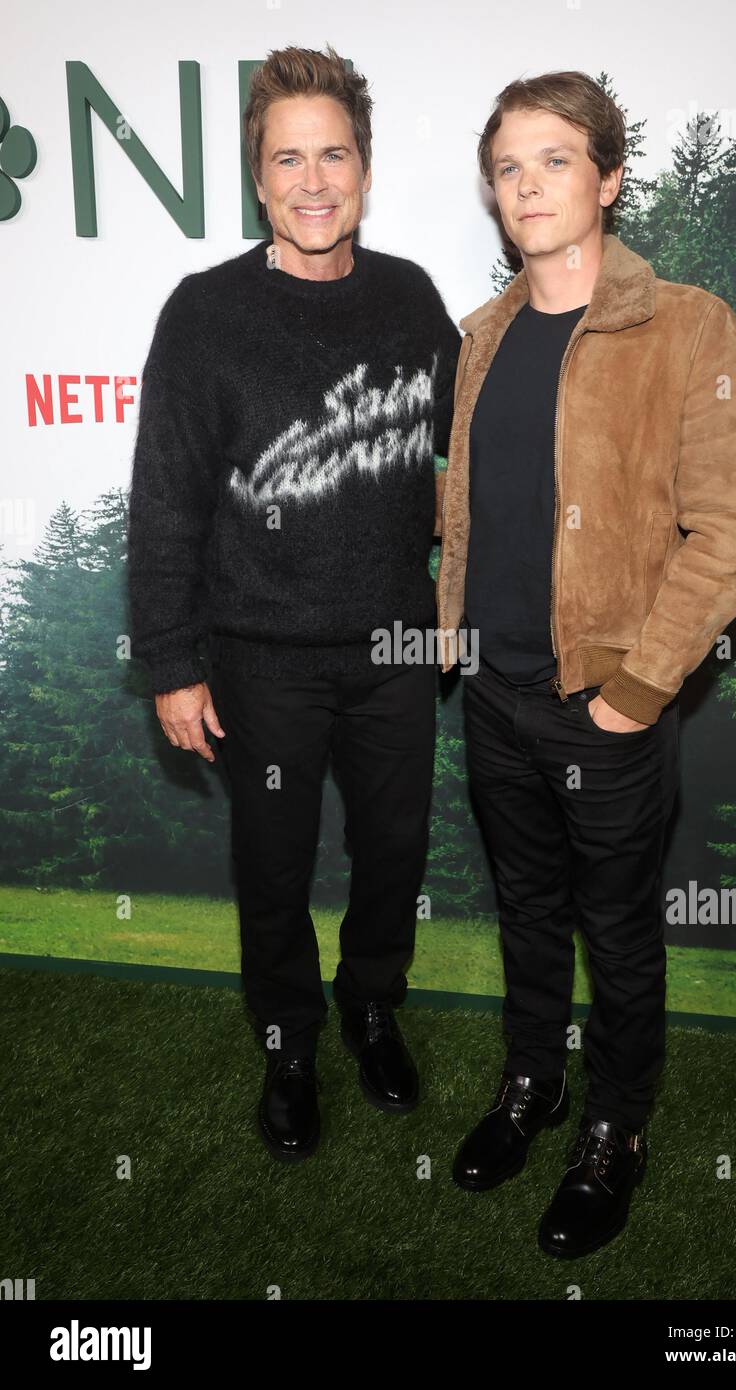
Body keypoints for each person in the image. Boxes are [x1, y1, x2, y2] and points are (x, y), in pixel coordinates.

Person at [436, 70, 736, 1257]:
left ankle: (616, 1131)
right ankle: (534, 1086)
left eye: (555, 160)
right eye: (508, 167)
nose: (528, 185)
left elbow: (730, 523)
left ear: (609, 178)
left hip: (603, 705)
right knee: (527, 914)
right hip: (492, 695)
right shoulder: (474, 341)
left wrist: (640, 686)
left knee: (618, 933)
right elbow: (466, 515)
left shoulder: (685, 324)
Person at [127, 45, 460, 1163]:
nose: (313, 180)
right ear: (257, 179)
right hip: (258, 657)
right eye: (288, 159)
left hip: (397, 651)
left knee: (394, 855)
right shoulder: (205, 313)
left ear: (363, 168)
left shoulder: (414, 300)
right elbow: (165, 501)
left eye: (334, 154)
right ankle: (289, 1043)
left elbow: (464, 470)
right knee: (271, 872)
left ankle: (370, 1006)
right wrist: (172, 661)